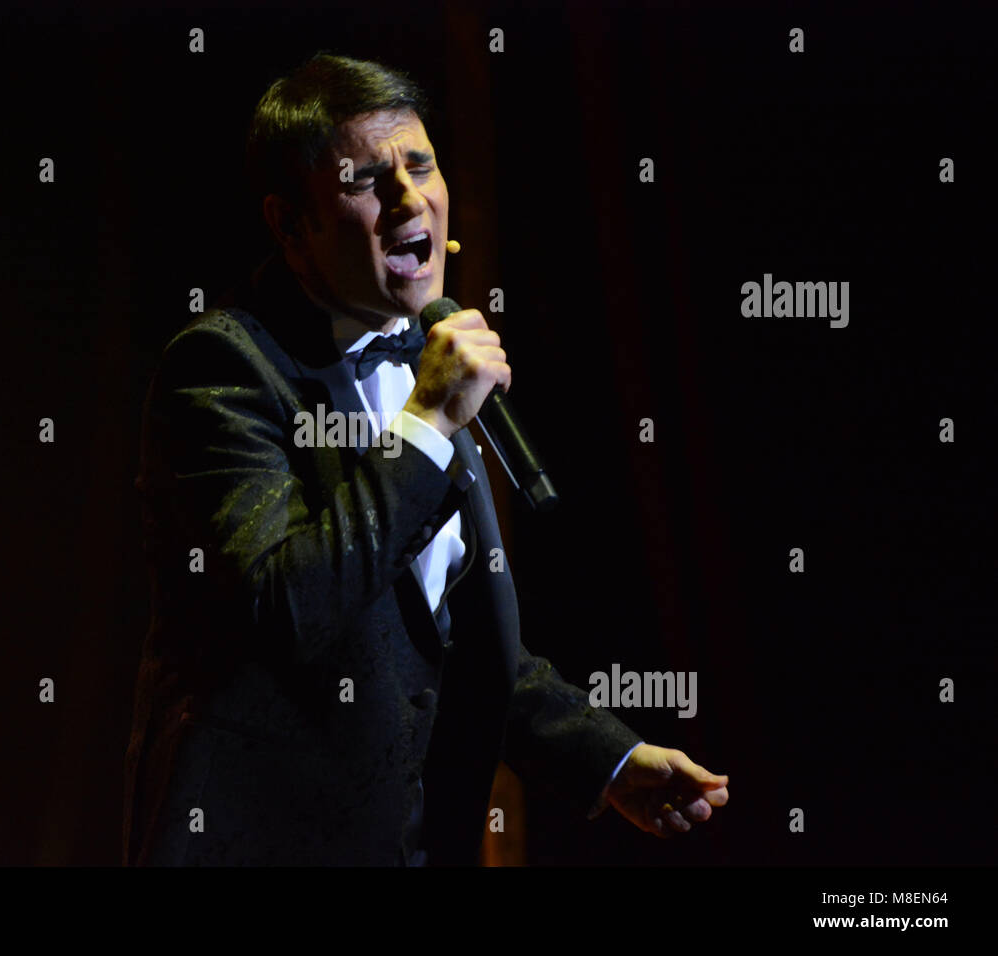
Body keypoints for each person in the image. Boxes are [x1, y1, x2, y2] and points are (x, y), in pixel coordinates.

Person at [123, 53, 728, 866]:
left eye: (420, 165)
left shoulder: (422, 356)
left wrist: (605, 758)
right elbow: (289, 609)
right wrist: (430, 420)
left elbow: (444, 633)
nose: (410, 200)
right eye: (367, 180)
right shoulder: (224, 369)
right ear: (289, 223)